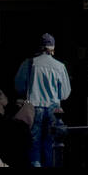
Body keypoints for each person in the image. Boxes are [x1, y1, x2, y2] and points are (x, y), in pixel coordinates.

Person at [15, 33, 72, 167]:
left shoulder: (28, 64)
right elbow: (65, 93)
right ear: (52, 48)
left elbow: (19, 86)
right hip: (54, 110)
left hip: (34, 109)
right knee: (51, 144)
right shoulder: (60, 66)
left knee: (34, 144)